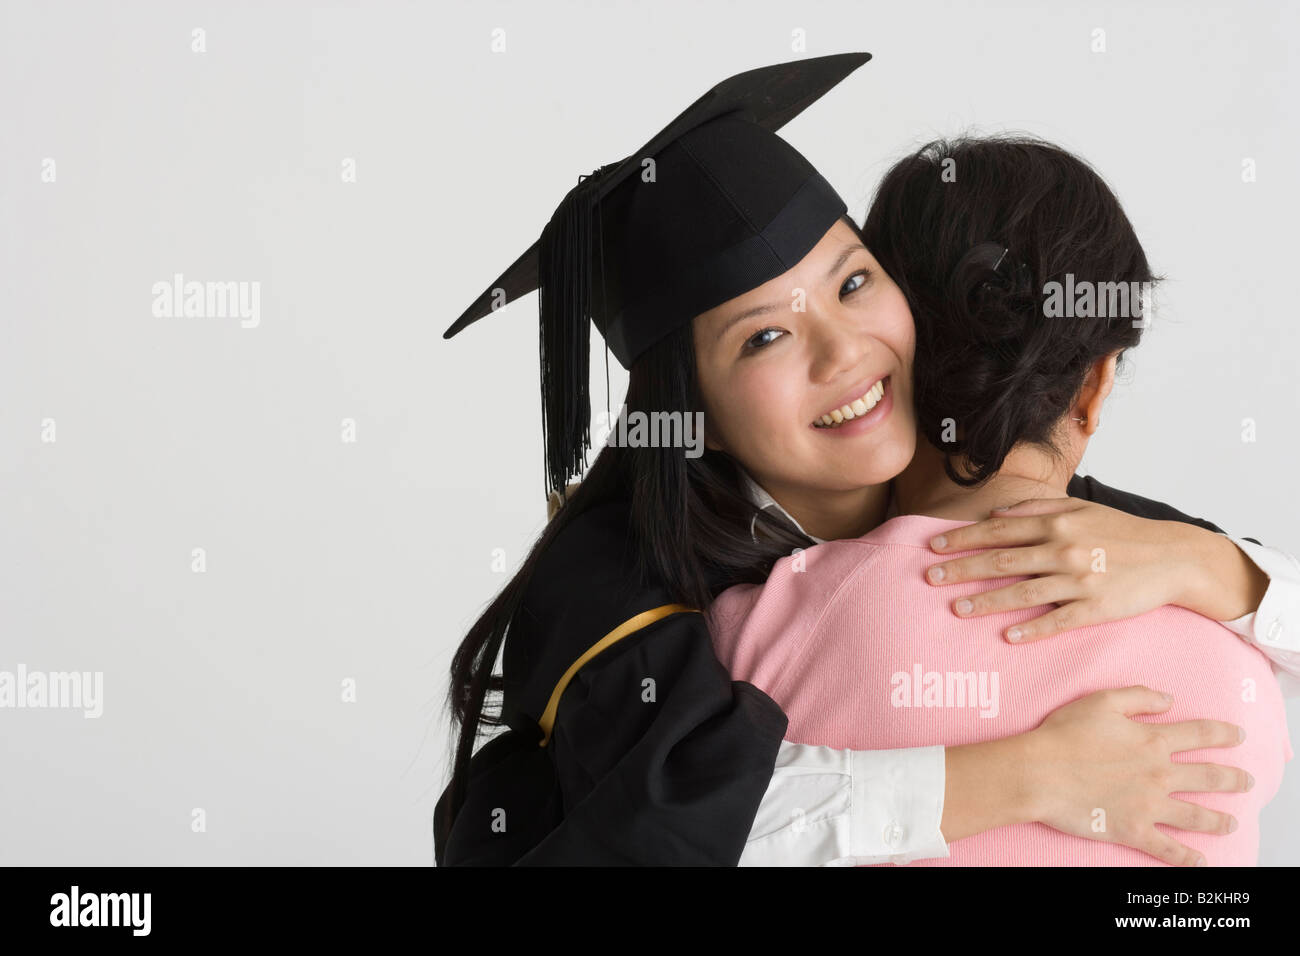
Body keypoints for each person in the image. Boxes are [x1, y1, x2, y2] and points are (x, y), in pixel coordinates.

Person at [434, 55, 1300, 866]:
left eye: (854, 283)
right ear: (689, 408)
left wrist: (1218, 569)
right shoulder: (613, 573)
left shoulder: (972, 471)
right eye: (765, 336)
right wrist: (1031, 774)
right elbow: (673, 822)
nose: (844, 353)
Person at [707, 136, 1293, 865]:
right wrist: (1222, 576)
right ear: (1095, 386)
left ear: (891, 344)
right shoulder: (1235, 672)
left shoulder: (746, 637)